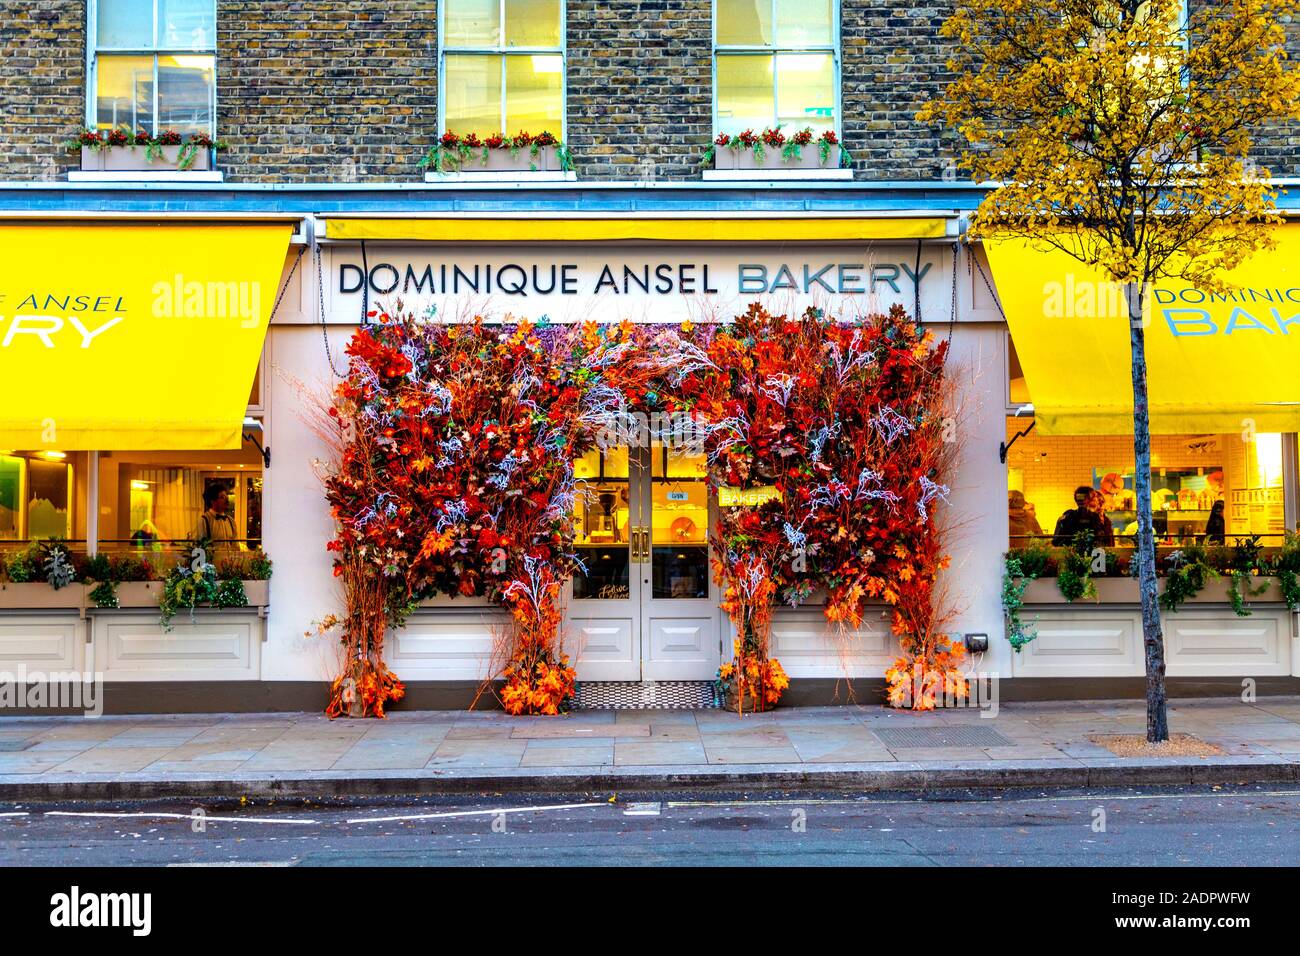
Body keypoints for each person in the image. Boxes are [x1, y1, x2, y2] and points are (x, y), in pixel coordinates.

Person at [190, 485, 238, 553]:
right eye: (222, 497)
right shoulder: (204, 520)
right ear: (213, 501)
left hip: (228, 562)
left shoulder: (231, 521)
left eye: (226, 496)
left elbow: (235, 545)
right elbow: (198, 546)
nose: (227, 499)